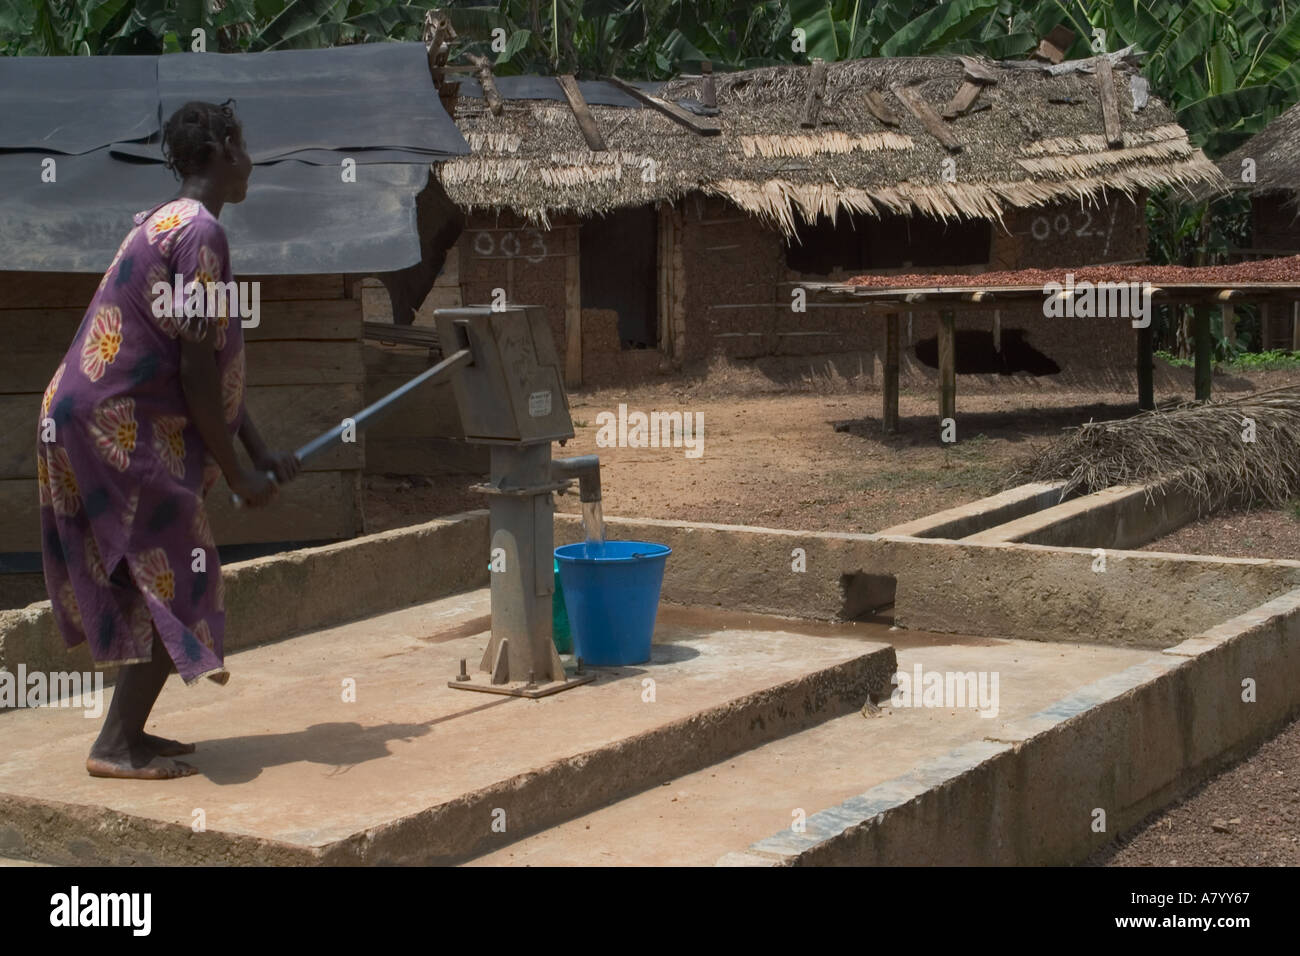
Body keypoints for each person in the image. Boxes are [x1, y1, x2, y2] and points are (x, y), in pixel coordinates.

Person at [36, 100, 299, 779]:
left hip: (86, 413)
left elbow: (206, 359)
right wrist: (241, 478)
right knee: (183, 569)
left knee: (151, 571)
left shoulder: (164, 222)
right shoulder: (201, 233)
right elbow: (194, 369)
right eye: (244, 146)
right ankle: (115, 746)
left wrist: (260, 450)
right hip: (111, 423)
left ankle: (130, 734)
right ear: (219, 151)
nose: (252, 161)